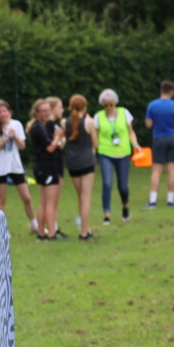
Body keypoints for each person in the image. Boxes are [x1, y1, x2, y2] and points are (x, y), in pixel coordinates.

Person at [0, 99, 38, 236]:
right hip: (0, 167)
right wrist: (4, 139)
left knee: (26, 197)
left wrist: (14, 136)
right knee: (2, 199)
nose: (3, 114)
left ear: (9, 111)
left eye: (4, 111)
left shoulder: (16, 124)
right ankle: (2, 230)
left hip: (15, 166)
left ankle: (34, 225)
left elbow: (22, 146)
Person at [94, 88, 140, 224]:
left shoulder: (124, 113)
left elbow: (130, 131)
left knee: (123, 186)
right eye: (105, 105)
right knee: (107, 183)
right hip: (105, 153)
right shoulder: (99, 116)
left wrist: (135, 144)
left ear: (115, 103)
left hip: (123, 153)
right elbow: (95, 136)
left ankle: (125, 205)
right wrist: (94, 152)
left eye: (111, 104)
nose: (108, 107)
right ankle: (106, 213)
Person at [27, 99, 65, 241]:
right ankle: (51, 233)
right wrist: (58, 137)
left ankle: (41, 233)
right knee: (49, 202)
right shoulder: (38, 127)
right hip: (46, 166)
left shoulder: (45, 126)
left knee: (44, 201)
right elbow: (50, 148)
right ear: (36, 113)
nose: (46, 113)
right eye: (43, 111)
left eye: (48, 110)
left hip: (43, 167)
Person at [145, 81, 174, 209]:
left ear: (161, 89)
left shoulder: (152, 105)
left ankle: (152, 201)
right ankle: (170, 200)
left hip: (159, 138)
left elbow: (148, 124)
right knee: (172, 170)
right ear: (172, 91)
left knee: (156, 170)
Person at [63, 93, 98, 240]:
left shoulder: (64, 122)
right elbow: (95, 144)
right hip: (86, 162)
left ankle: (86, 227)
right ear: (85, 107)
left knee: (80, 197)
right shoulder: (89, 123)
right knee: (86, 198)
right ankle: (84, 232)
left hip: (72, 163)